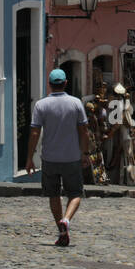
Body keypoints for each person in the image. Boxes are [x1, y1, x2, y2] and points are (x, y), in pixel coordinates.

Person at [25, 68, 92, 247]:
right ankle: (67, 220)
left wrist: (30, 157)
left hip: (50, 158)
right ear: (65, 83)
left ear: (49, 84)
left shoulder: (41, 105)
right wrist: (85, 153)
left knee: (53, 194)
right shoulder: (76, 103)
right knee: (76, 193)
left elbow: (34, 132)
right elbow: (84, 130)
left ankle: (60, 229)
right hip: (72, 157)